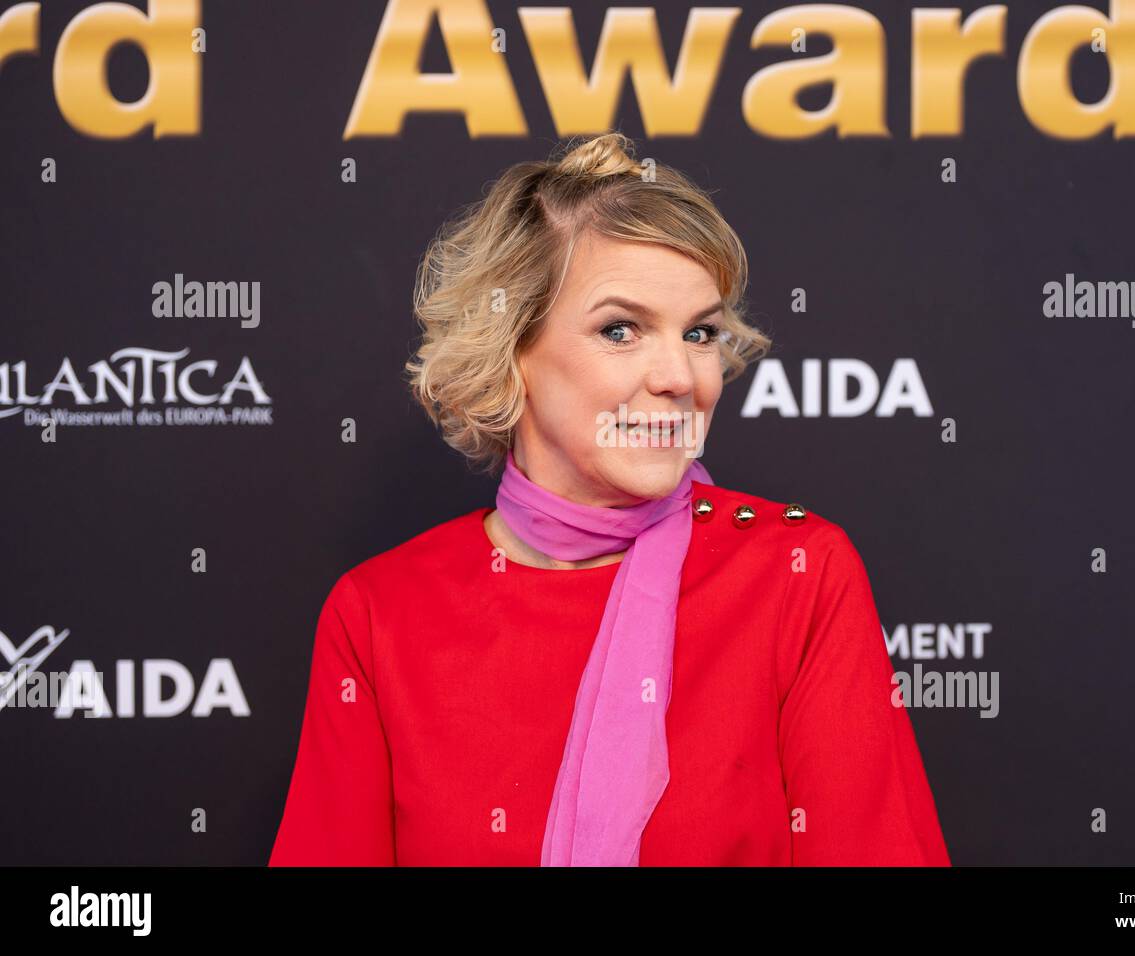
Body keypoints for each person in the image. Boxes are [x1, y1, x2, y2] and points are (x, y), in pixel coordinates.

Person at [268, 132, 950, 867]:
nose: (679, 376)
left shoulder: (799, 574)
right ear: (509, 351)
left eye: (700, 333)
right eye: (620, 329)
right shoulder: (380, 612)